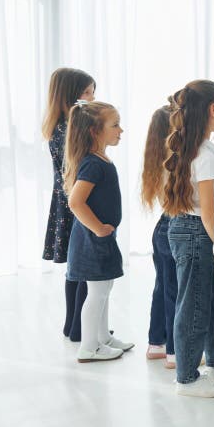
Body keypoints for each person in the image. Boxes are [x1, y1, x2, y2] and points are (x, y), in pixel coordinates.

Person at [163, 80, 214, 397]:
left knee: (212, 300)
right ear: (213, 109)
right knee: (193, 306)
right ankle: (187, 378)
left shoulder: (195, 151)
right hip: (196, 235)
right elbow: (210, 215)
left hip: (189, 230)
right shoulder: (205, 159)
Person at [64, 100, 134, 362]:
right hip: (93, 240)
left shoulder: (100, 160)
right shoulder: (93, 164)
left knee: (104, 289)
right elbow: (75, 202)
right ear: (95, 131)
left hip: (102, 238)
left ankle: (102, 337)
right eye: (115, 125)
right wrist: (98, 229)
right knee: (97, 293)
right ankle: (89, 346)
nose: (121, 130)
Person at [41, 68, 96, 341]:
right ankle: (80, 328)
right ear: (70, 95)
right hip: (77, 201)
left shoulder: (59, 126)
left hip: (68, 200)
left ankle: (75, 324)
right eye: (86, 93)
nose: (91, 98)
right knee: (83, 267)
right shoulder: (68, 129)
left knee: (76, 268)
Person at [140, 103, 178, 368]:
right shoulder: (175, 162)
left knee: (163, 287)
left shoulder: (155, 159)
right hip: (175, 228)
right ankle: (175, 351)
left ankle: (157, 343)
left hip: (162, 227)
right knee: (175, 291)